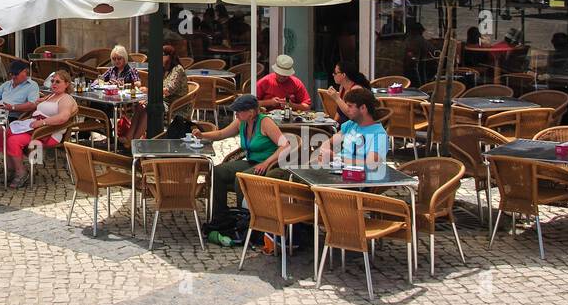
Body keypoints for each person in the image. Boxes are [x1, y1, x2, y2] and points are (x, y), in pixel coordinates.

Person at [195, 94, 290, 237]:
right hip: (250, 162)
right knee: (217, 172)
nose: (236, 114)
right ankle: (221, 216)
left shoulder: (265, 122)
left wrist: (267, 162)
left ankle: (244, 221)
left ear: (251, 112)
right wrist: (202, 135)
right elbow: (221, 134)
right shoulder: (241, 122)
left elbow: (286, 146)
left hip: (269, 164)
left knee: (240, 180)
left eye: (239, 111)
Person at [1, 69, 77, 189]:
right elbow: (44, 109)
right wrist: (39, 103)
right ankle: (12, 168)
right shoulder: (52, 95)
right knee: (5, 133)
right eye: (52, 81)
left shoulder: (66, 99)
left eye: (58, 82)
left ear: (67, 84)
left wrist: (42, 122)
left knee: (12, 140)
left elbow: (63, 117)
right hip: (36, 129)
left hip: (48, 134)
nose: (54, 84)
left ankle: (21, 172)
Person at [313, 87, 390, 180]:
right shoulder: (351, 124)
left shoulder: (378, 134)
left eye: (350, 106)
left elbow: (371, 164)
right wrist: (324, 152)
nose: (346, 109)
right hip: (339, 173)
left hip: (360, 180)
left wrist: (336, 158)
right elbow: (330, 142)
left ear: (363, 108)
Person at [126, 44, 187, 143]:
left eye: (161, 55)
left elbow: (168, 90)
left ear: (169, 56)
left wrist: (148, 90)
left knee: (149, 107)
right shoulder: (164, 70)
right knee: (140, 106)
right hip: (161, 99)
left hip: (175, 103)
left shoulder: (177, 69)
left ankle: (135, 140)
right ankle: (129, 136)